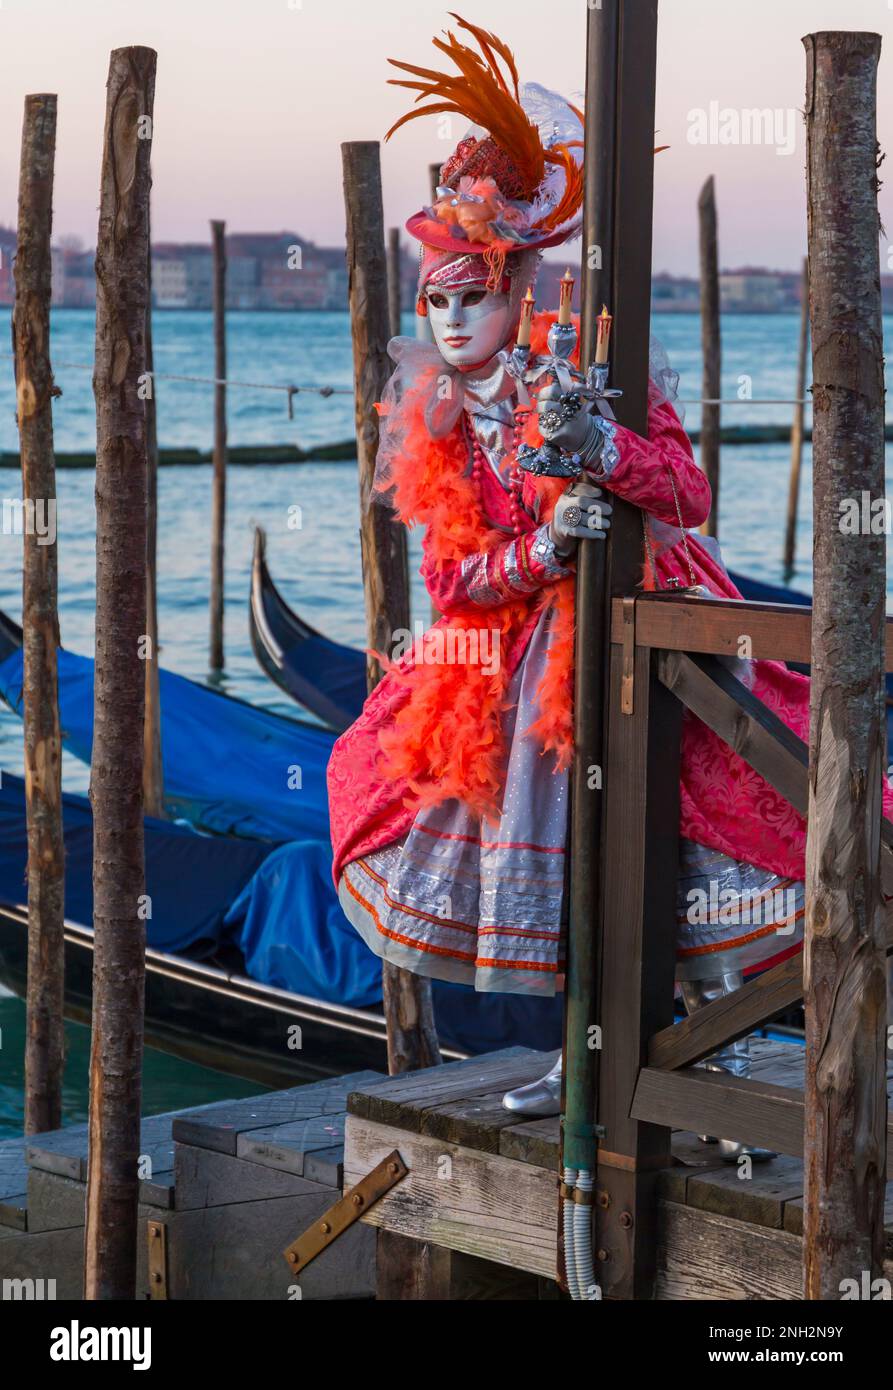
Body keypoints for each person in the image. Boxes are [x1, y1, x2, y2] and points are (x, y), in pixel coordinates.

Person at [326, 16, 892, 1157]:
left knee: (697, 832)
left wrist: (597, 450)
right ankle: (583, 1051)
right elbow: (447, 577)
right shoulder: (436, 411)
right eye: (435, 299)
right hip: (514, 666)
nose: (451, 318)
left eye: (472, 294)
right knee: (516, 831)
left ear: (518, 286)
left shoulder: (595, 365)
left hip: (644, 639)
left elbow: (680, 492)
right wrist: (539, 552)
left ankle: (709, 1053)